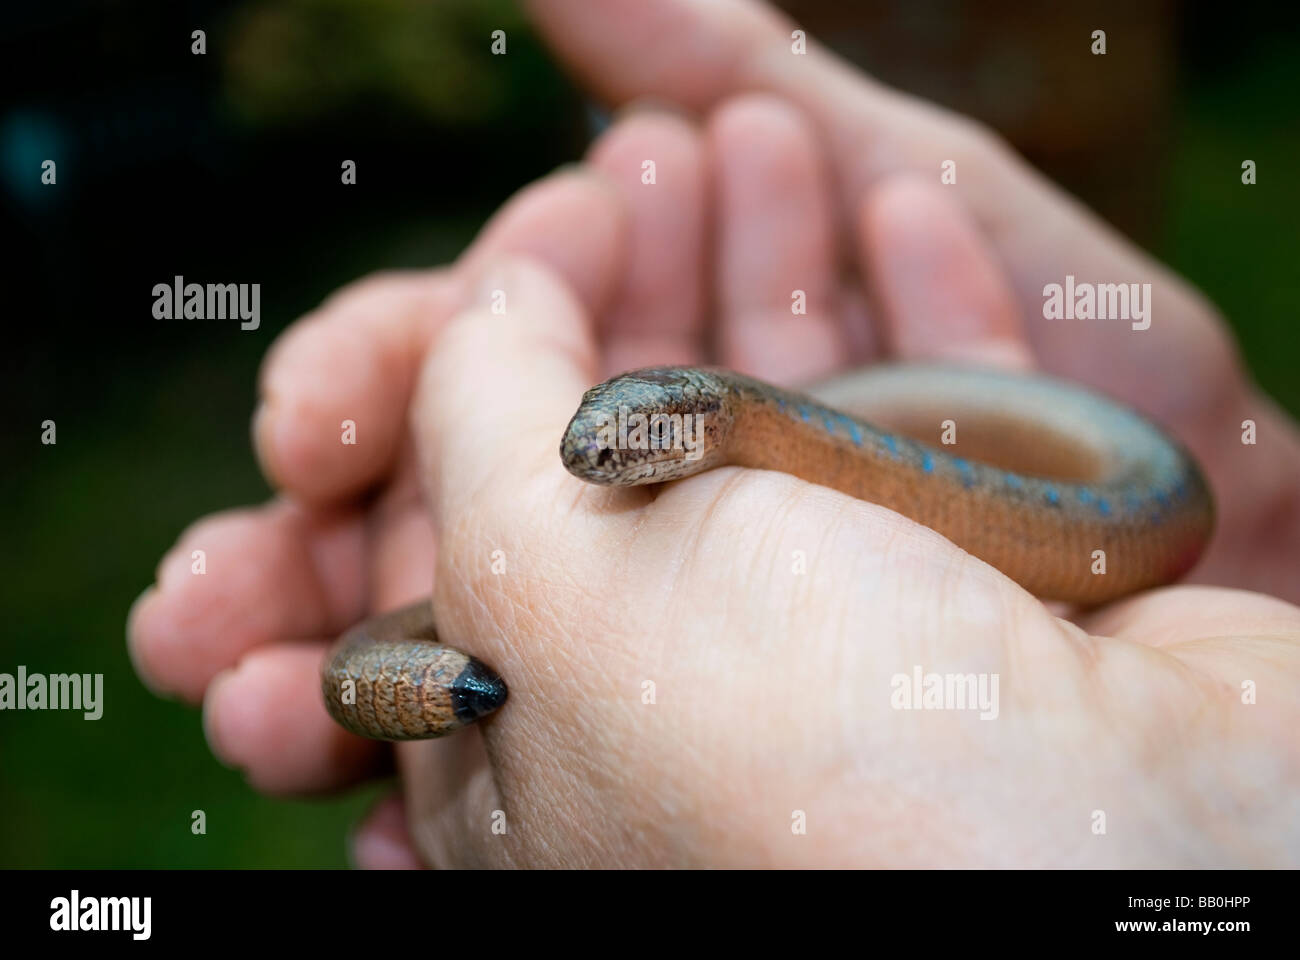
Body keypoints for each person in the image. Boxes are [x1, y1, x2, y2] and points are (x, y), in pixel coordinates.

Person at [127, 0, 1300, 867]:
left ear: (698, 421)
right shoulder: (722, 418)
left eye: (633, 437)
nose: (597, 455)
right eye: (603, 436)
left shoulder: (758, 416)